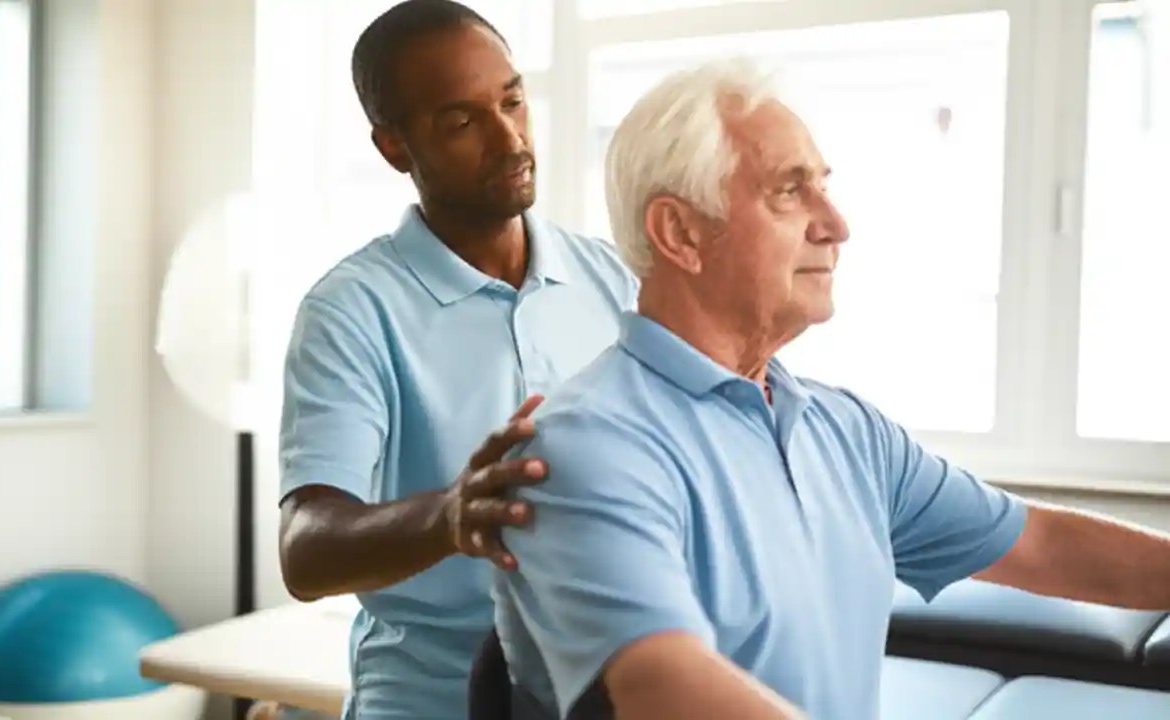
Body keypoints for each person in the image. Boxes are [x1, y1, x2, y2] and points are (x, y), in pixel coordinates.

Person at [492, 56, 1170, 720]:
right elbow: (662, 688)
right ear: (682, 232)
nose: (836, 224)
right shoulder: (580, 448)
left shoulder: (844, 432)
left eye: (823, 185)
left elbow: (1040, 546)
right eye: (789, 191)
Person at [276, 1, 637, 718]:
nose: (511, 140)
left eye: (512, 100)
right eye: (463, 121)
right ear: (394, 148)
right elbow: (305, 551)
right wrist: (450, 516)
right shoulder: (351, 310)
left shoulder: (610, 279)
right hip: (429, 700)